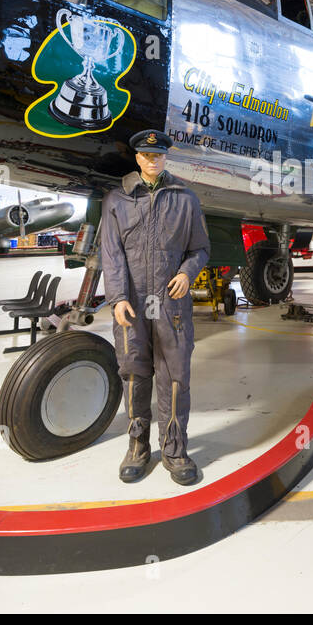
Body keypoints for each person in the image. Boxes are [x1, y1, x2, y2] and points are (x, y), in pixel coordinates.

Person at [100, 130, 210, 485]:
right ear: (137, 158)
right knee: (134, 373)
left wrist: (187, 273)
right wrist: (117, 298)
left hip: (170, 303)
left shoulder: (185, 198)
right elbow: (111, 255)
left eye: (158, 155)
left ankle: (175, 450)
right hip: (133, 304)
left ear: (165, 157)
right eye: (147, 155)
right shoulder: (116, 200)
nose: (152, 160)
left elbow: (200, 249)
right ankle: (138, 447)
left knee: (175, 376)